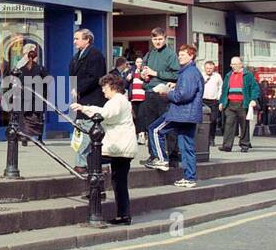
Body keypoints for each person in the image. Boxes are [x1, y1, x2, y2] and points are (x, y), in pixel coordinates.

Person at [71, 73, 137, 225]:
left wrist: (83, 108)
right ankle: (124, 215)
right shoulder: (122, 100)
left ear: (112, 87)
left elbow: (104, 114)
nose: (103, 91)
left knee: (92, 159)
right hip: (124, 147)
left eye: (105, 87)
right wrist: (84, 108)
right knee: (119, 182)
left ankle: (97, 188)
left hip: (117, 146)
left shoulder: (116, 101)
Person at [145, 43, 203, 187]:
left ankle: (161, 159)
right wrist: (175, 86)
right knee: (187, 147)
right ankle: (190, 178)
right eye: (179, 54)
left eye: (183, 54)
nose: (179, 57)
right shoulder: (192, 72)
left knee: (155, 129)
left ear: (191, 56)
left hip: (180, 113)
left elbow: (183, 95)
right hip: (189, 115)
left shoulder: (189, 72)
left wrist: (167, 93)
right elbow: (186, 90)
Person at [137, 28, 180, 167]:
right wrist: (143, 74)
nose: (157, 42)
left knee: (167, 126)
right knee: (150, 125)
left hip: (164, 93)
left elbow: (175, 74)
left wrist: (155, 72)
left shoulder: (171, 54)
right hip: (150, 92)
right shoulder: (149, 54)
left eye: (160, 39)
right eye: (155, 39)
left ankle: (172, 155)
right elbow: (143, 71)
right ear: (151, 40)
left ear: (165, 39)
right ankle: (154, 155)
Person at [67, 28, 105, 175]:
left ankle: (82, 164)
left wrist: (79, 89)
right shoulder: (77, 56)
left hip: (91, 99)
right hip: (81, 99)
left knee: (88, 131)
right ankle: (84, 162)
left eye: (77, 38)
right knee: (81, 131)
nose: (74, 41)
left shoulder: (95, 55)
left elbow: (94, 77)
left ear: (87, 39)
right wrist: (75, 89)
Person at [219, 55, 261, 153]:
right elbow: (224, 90)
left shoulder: (248, 75)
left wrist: (253, 99)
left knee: (244, 125)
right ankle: (227, 146)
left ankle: (244, 145)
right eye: (232, 64)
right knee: (229, 125)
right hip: (230, 104)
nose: (233, 66)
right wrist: (221, 102)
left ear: (241, 64)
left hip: (243, 103)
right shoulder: (228, 75)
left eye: (235, 64)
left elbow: (254, 88)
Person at [16, 44, 49, 141]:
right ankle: (39, 138)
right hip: (38, 97)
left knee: (25, 117)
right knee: (39, 118)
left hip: (25, 97)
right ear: (36, 57)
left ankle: (24, 136)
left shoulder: (21, 69)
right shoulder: (41, 69)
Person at [202, 60, 223, 136]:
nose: (209, 70)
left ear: (213, 68)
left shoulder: (217, 76)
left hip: (214, 101)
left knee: (213, 120)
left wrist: (219, 97)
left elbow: (221, 87)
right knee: (202, 119)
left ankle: (211, 137)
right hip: (203, 100)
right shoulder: (201, 76)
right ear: (204, 68)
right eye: (207, 68)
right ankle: (202, 137)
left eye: (210, 68)